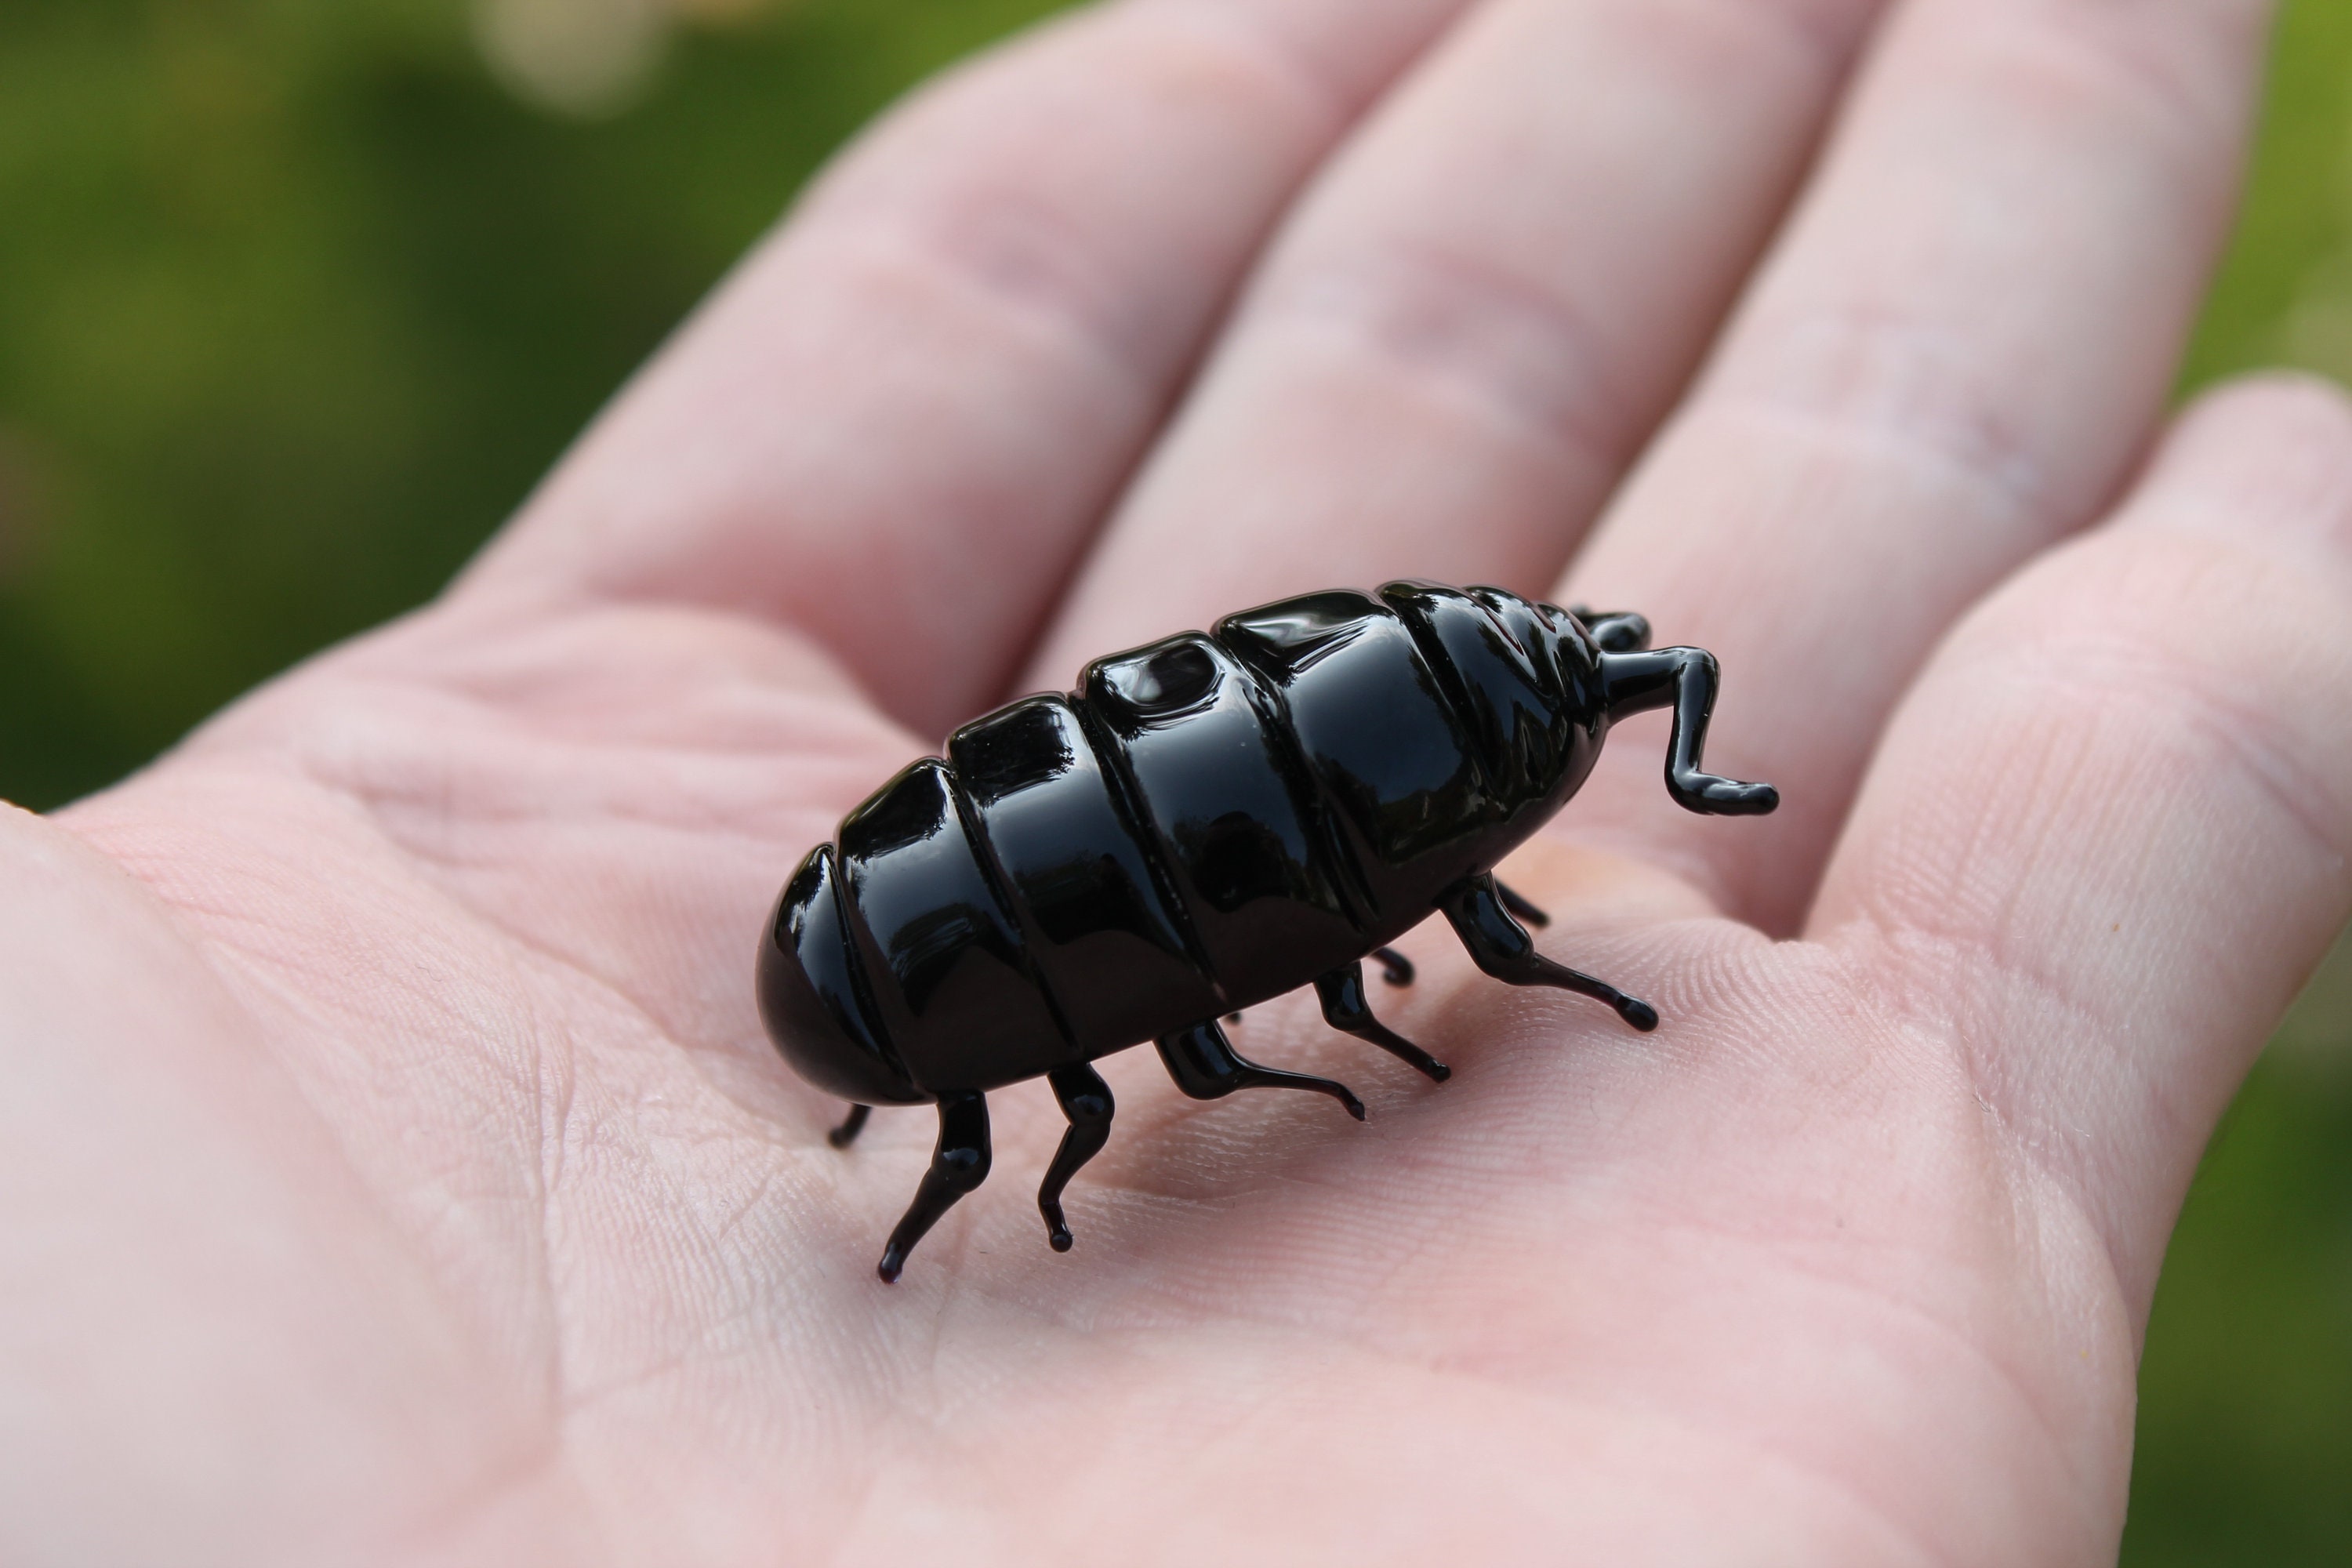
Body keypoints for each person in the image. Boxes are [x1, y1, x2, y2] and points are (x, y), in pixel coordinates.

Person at [6, 0, 2346, 1559]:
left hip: (1332, 750)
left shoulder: (1322, 793)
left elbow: (1282, 955)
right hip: (1313, 765)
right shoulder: (1403, 788)